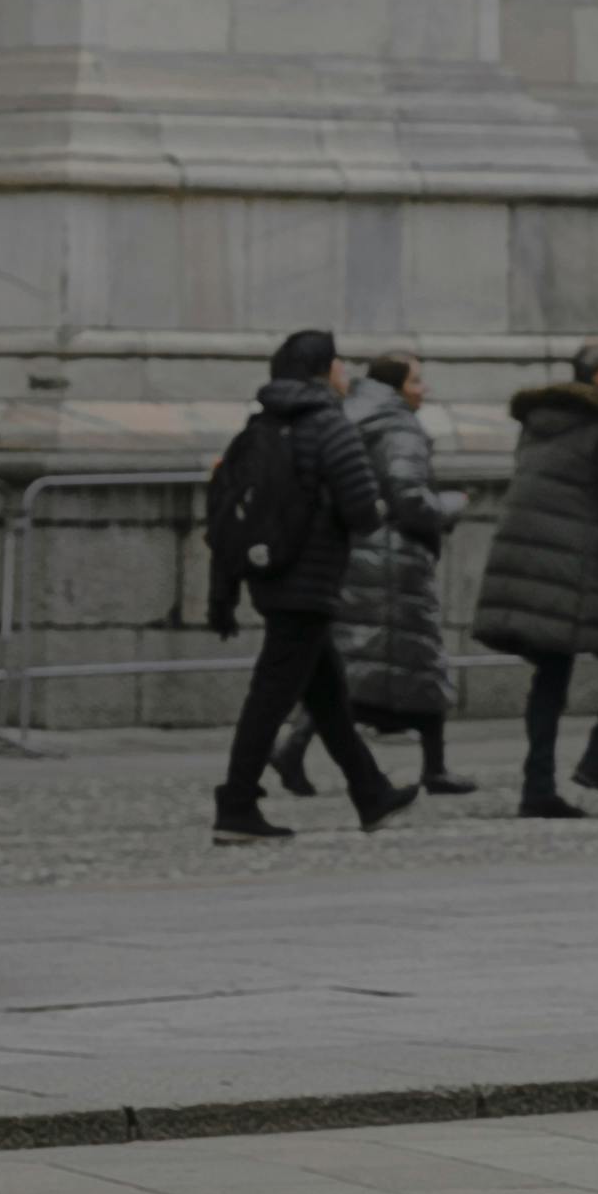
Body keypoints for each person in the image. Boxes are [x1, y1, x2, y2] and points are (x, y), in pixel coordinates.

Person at [209, 327, 414, 843]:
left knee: (327, 694)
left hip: (272, 572)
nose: (346, 372)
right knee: (271, 695)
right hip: (311, 576)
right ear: (322, 370)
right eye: (340, 363)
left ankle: (370, 792)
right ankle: (236, 805)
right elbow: (361, 509)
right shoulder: (329, 424)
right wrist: (381, 506)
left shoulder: (262, 423)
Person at [471, 340, 598, 818]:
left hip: (532, 561)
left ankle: (538, 786)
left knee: (552, 669)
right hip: (580, 566)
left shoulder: (539, 421)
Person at [293, 347, 472, 800]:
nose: (423, 389)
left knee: (353, 663)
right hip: (395, 560)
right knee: (420, 660)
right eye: (416, 380)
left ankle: (292, 746)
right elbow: (408, 496)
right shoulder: (399, 427)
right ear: (396, 387)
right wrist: (450, 505)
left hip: (357, 552)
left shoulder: (350, 414)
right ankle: (435, 768)